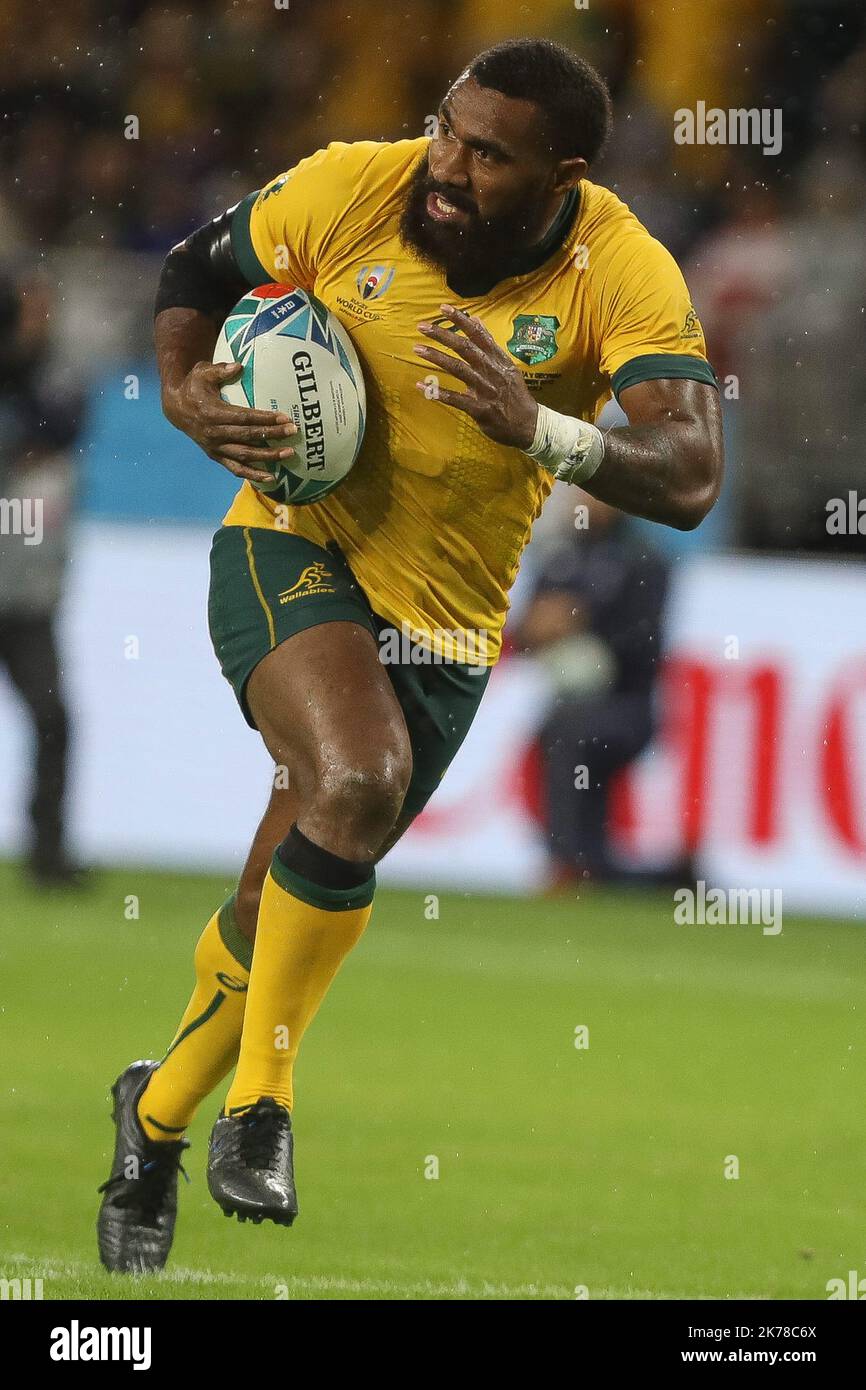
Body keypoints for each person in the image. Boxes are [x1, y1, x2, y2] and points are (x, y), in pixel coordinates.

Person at [97, 37, 723, 1273]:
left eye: (487, 155)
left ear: (565, 173)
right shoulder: (352, 186)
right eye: (446, 127)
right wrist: (181, 390)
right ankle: (259, 1109)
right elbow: (193, 265)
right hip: (288, 543)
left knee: (276, 885)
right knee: (362, 774)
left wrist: (542, 427)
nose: (446, 165)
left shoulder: (620, 270)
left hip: (444, 622)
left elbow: (691, 474)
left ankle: (152, 1117)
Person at [517, 493, 668, 884]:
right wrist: (535, 628)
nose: (584, 499)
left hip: (626, 709)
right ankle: (602, 868)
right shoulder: (558, 553)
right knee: (562, 728)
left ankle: (566, 864)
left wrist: (578, 620)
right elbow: (526, 628)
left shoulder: (644, 558)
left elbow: (641, 643)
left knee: (566, 732)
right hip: (570, 705)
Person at [0, 272, 85, 887]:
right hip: (23, 583)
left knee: (54, 719)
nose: (39, 322)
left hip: (27, 596)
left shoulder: (56, 381)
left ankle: (48, 856)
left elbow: (59, 424)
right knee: (52, 719)